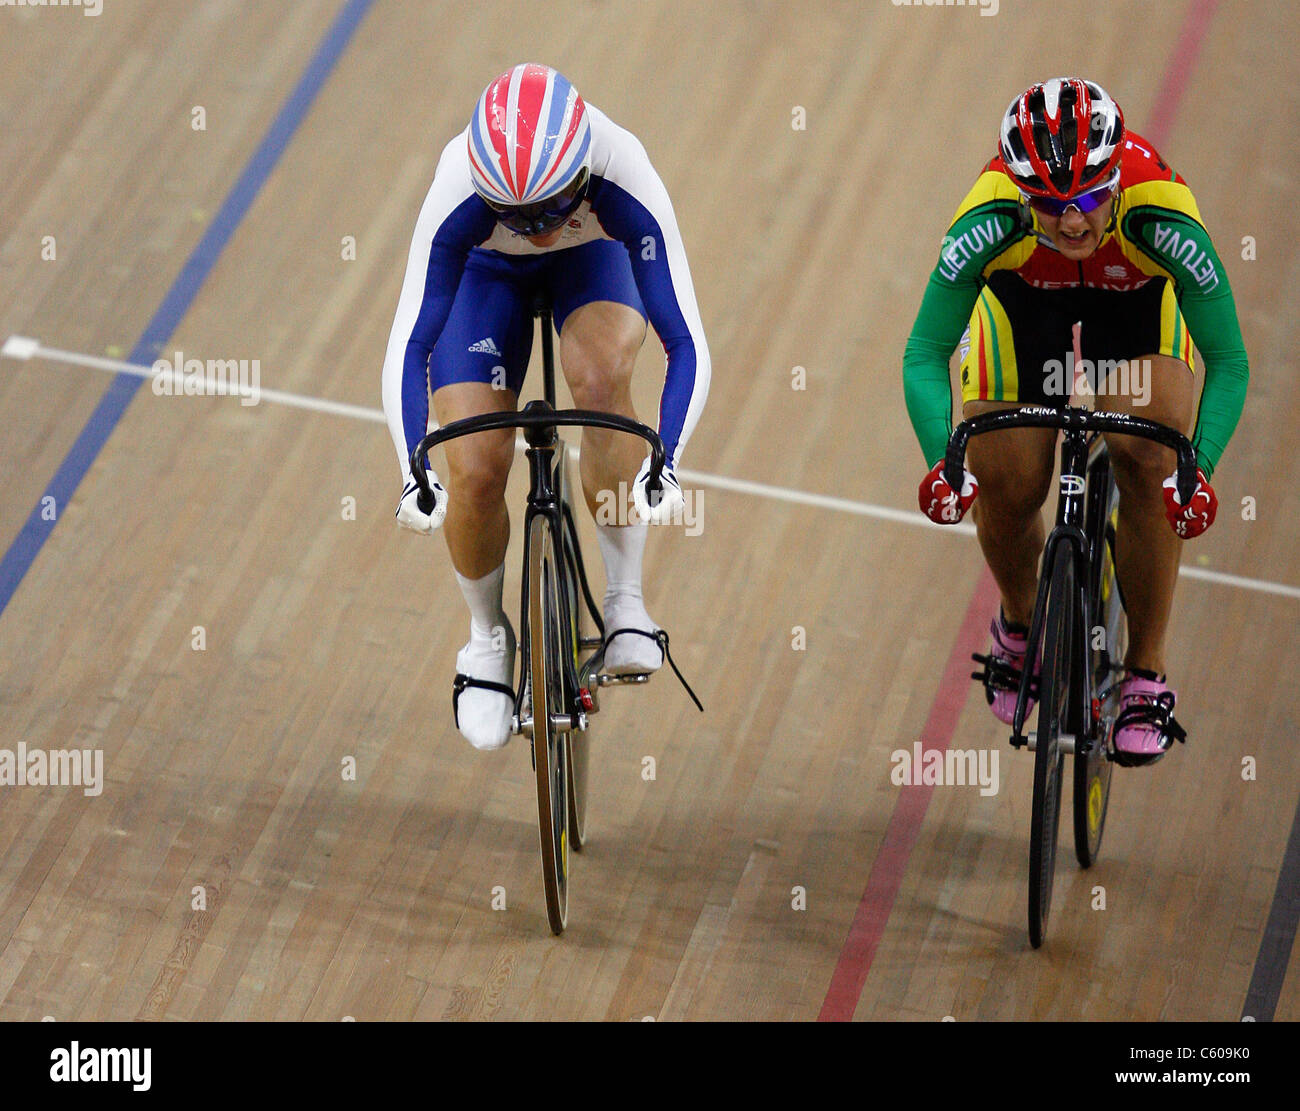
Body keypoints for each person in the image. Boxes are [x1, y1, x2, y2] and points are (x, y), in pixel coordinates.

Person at [903, 77, 1248, 766]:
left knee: (1151, 459)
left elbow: (1229, 361)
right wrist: (944, 460)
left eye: (1090, 197)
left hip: (1138, 304)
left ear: (1117, 179)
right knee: (1003, 472)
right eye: (1050, 204)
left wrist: (1198, 469)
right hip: (1022, 304)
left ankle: (1145, 675)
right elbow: (924, 353)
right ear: (1020, 191)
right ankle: (1022, 621)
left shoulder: (1162, 217)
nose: (1071, 222)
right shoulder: (989, 219)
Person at [381, 63, 710, 752]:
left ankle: (625, 601)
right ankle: (486, 641)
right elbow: (408, 345)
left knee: (599, 380)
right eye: (515, 215)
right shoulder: (456, 191)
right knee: (473, 466)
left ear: (583, 176)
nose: (532, 229)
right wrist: (412, 467)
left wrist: (669, 459)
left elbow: (685, 341)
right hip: (483, 272)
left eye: (547, 210)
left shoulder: (625, 172)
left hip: (591, 259)